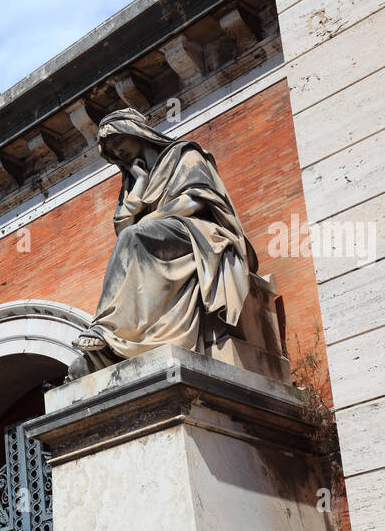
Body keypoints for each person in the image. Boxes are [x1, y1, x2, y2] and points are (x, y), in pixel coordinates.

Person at [70, 107, 258, 375]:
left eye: (117, 141)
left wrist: (151, 218)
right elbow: (122, 227)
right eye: (111, 150)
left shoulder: (185, 155)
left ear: (135, 132)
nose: (117, 151)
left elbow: (195, 200)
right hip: (158, 239)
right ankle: (121, 337)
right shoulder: (135, 178)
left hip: (198, 232)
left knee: (135, 235)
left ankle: (108, 328)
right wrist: (138, 186)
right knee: (132, 237)